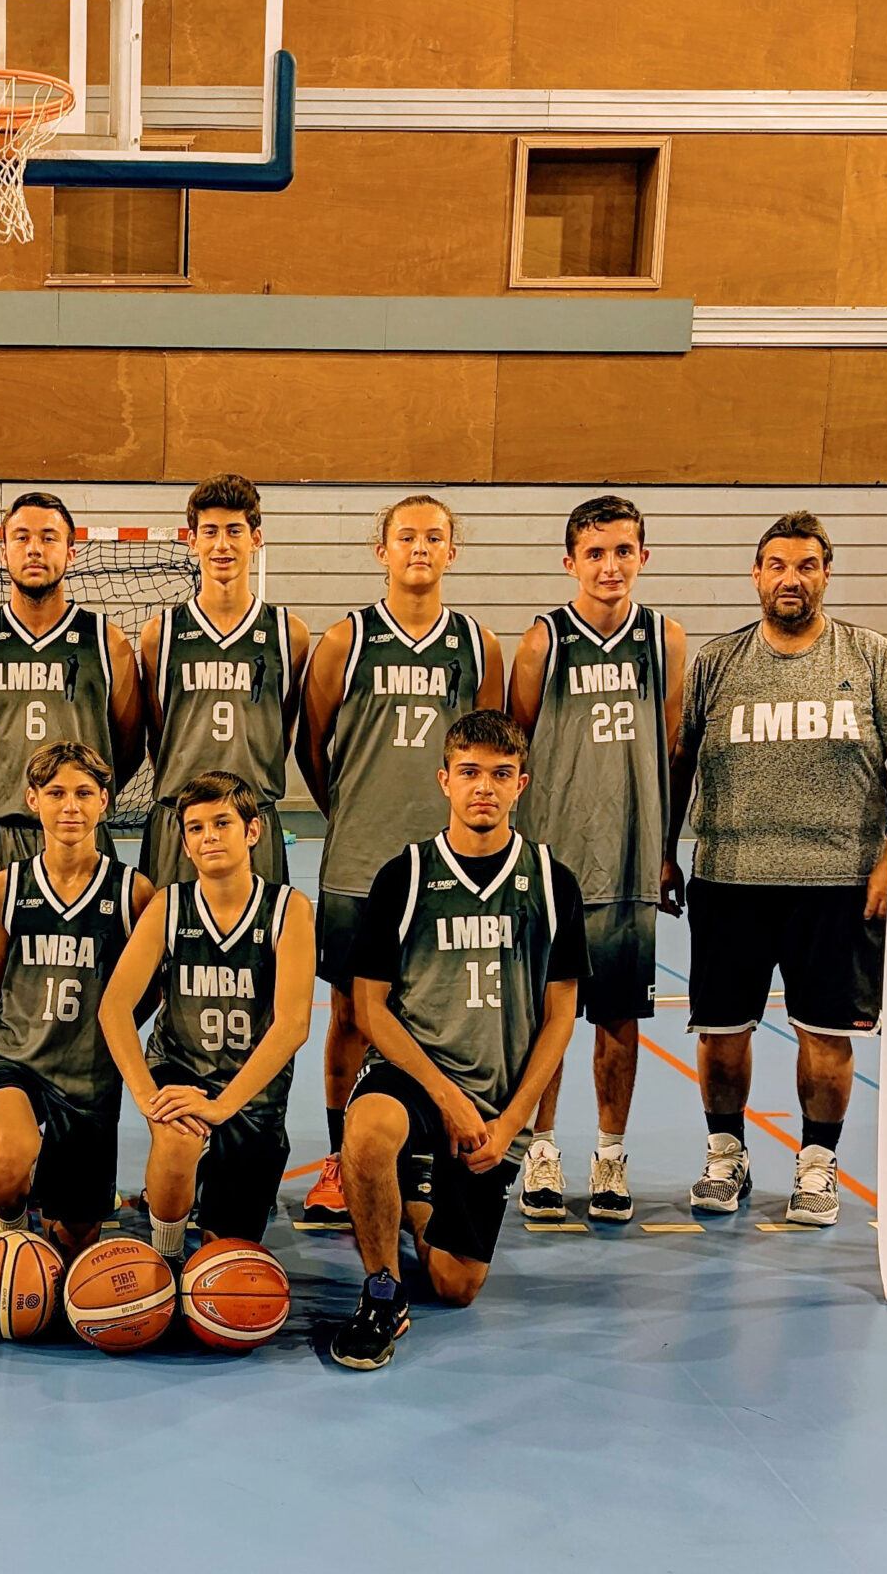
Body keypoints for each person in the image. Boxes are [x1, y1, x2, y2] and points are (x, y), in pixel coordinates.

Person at [668, 512, 887, 1228]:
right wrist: (663, 853)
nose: (790, 579)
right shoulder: (717, 663)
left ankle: (817, 1163)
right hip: (731, 879)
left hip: (838, 883)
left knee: (826, 1036)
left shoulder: (869, 658)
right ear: (756, 575)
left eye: (805, 565)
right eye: (776, 565)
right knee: (721, 1032)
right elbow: (679, 765)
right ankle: (725, 1155)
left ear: (826, 573)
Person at [331, 711, 585, 1371]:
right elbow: (371, 1008)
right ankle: (382, 1292)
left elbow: (561, 1014)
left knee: (455, 1284)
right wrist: (445, 1099)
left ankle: (417, 1194)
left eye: (501, 775)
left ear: (521, 783)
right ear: (444, 780)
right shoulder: (407, 876)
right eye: (470, 772)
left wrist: (511, 1124)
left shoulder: (551, 883)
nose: (485, 788)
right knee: (369, 1130)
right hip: (417, 1078)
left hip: (496, 1099)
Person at [0, 493, 143, 1222]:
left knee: (96, 998)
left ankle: (85, 1147)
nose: (34, 548)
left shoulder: (108, 642)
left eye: (48, 537)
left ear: (71, 550)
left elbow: (127, 742)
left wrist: (73, 804)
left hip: (80, 828)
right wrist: (3, 796)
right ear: (1, 547)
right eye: (21, 535)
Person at [297, 495, 502, 1227]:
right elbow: (313, 748)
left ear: (454, 551)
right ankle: (336, 1160)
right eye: (406, 535)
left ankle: (419, 1158)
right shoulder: (344, 640)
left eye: (435, 537)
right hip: (358, 861)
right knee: (350, 1014)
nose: (421, 547)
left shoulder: (476, 646)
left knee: (439, 1013)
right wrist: (355, 813)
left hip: (446, 869)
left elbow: (488, 750)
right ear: (380, 549)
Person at [505, 495, 687, 1223]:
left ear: (643, 556)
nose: (610, 565)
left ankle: (610, 1155)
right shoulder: (542, 641)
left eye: (623, 551)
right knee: (545, 1015)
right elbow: (515, 752)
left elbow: (670, 748)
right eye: (595, 552)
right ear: (569, 562)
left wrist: (665, 849)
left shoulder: (664, 639)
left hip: (631, 856)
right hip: (554, 861)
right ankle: (540, 1146)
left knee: (617, 1021)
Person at [99, 772, 315, 1262]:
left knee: (225, 1258)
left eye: (222, 823)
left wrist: (224, 1107)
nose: (209, 836)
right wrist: (147, 1096)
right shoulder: (168, 907)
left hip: (253, 1090)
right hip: (180, 1069)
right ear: (185, 842)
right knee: (178, 1137)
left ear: (253, 831)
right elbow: (113, 1007)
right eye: (195, 828)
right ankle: (166, 1258)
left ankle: (204, 1220)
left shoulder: (289, 910)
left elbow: (293, 1025)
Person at [0, 743, 156, 1257]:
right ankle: (8, 1249)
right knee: (8, 1165)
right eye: (55, 793)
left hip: (90, 1076)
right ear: (33, 800)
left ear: (105, 800)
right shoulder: (4, 888)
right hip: (18, 1059)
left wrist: (108, 1035)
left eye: (83, 793)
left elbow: (148, 991)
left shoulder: (132, 892)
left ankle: (58, 1212)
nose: (70, 806)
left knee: (79, 1238)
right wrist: (13, 1030)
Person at [137, 472, 308, 888]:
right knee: (171, 947)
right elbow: (157, 732)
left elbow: (282, 730)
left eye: (235, 531)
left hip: (254, 822)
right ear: (192, 540)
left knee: (258, 947)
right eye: (210, 531)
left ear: (256, 537)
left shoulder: (290, 634)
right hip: (180, 819)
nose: (222, 545)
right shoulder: (161, 634)